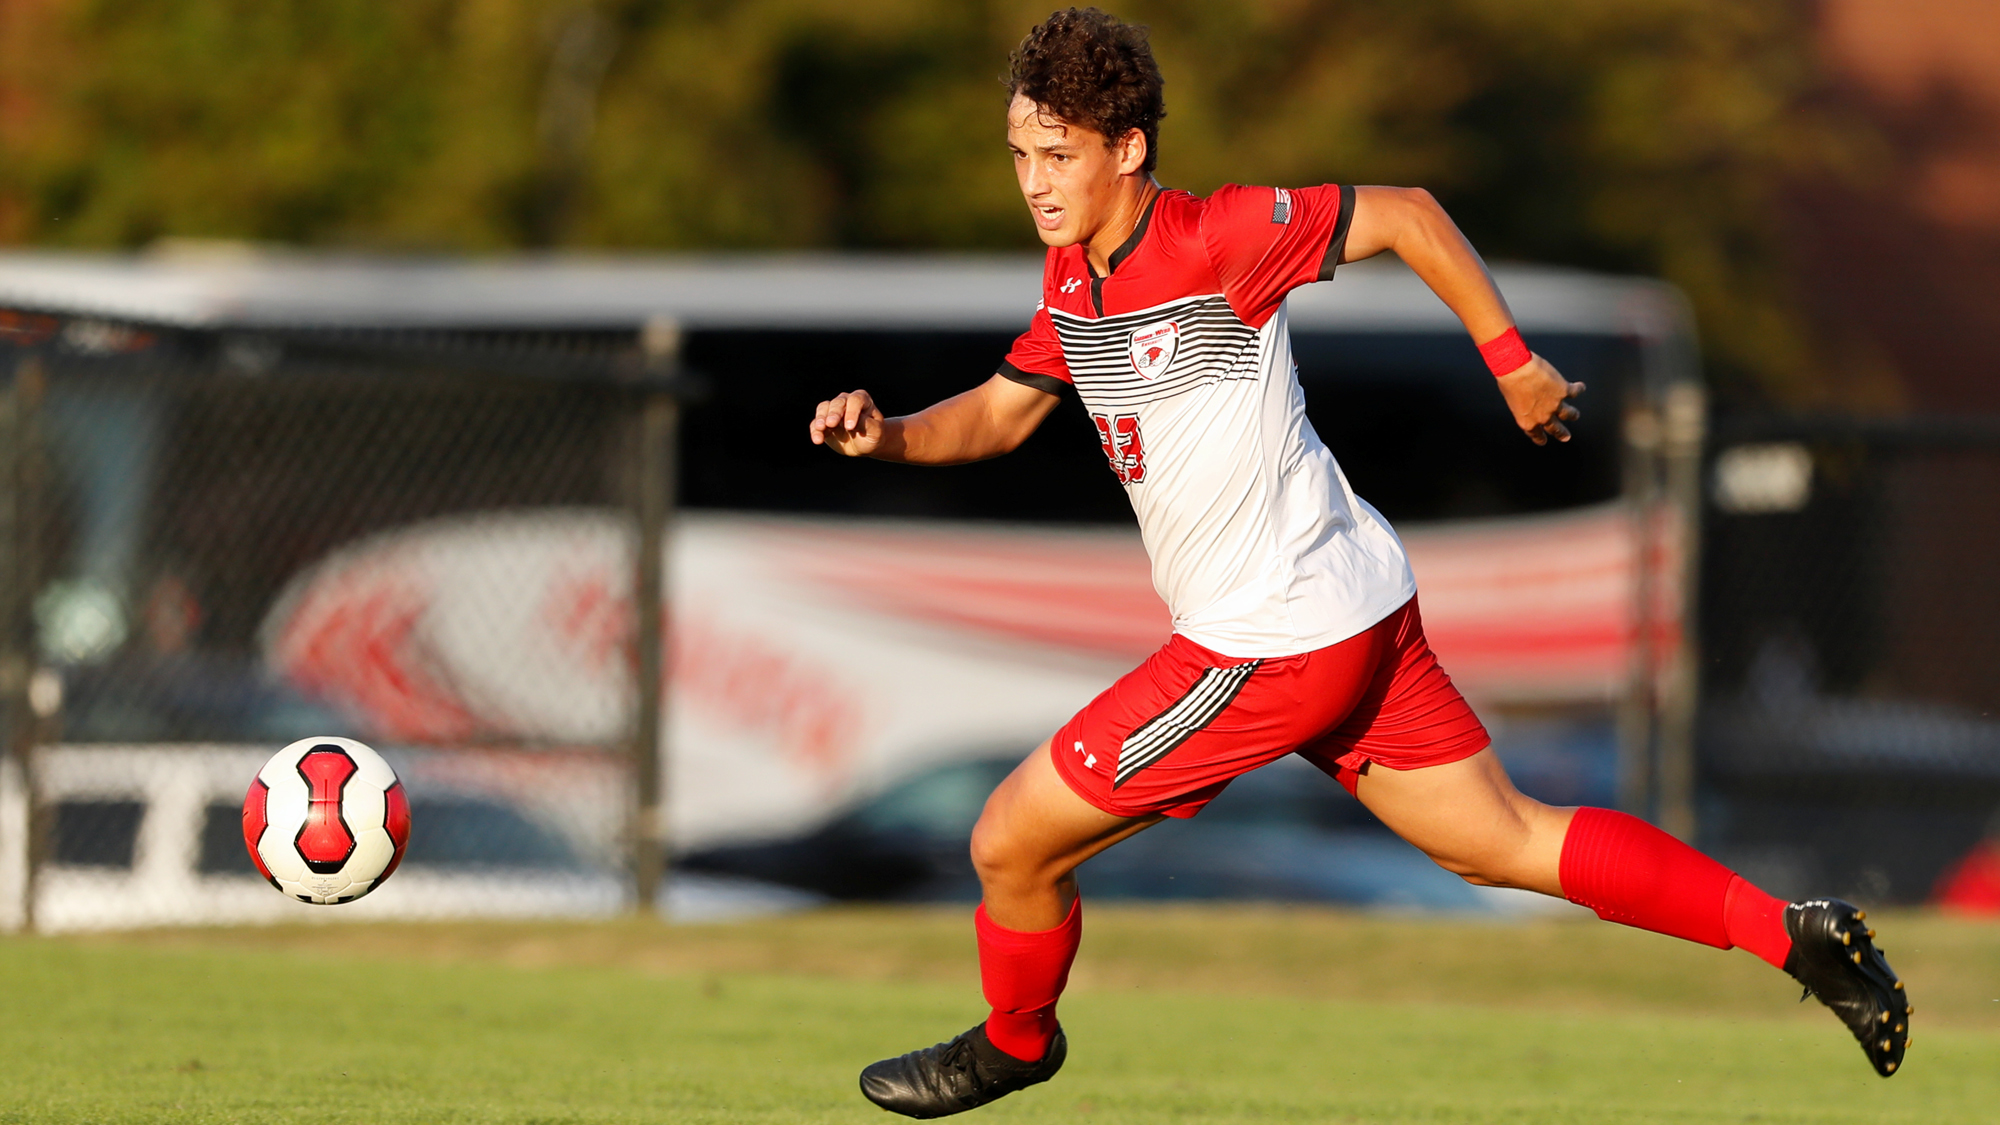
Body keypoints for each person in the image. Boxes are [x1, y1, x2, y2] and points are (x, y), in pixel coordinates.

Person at [807, 8, 1909, 1117]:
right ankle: (1793, 935)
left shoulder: (1212, 237)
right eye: (1018, 156)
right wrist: (889, 432)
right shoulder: (1070, 283)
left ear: (1127, 149)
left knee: (1008, 841)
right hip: (1350, 607)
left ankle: (1014, 1043)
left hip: (1269, 638)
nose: (1034, 182)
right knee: (1500, 839)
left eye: (1058, 156)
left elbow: (1408, 216)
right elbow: (997, 416)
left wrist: (1512, 360)